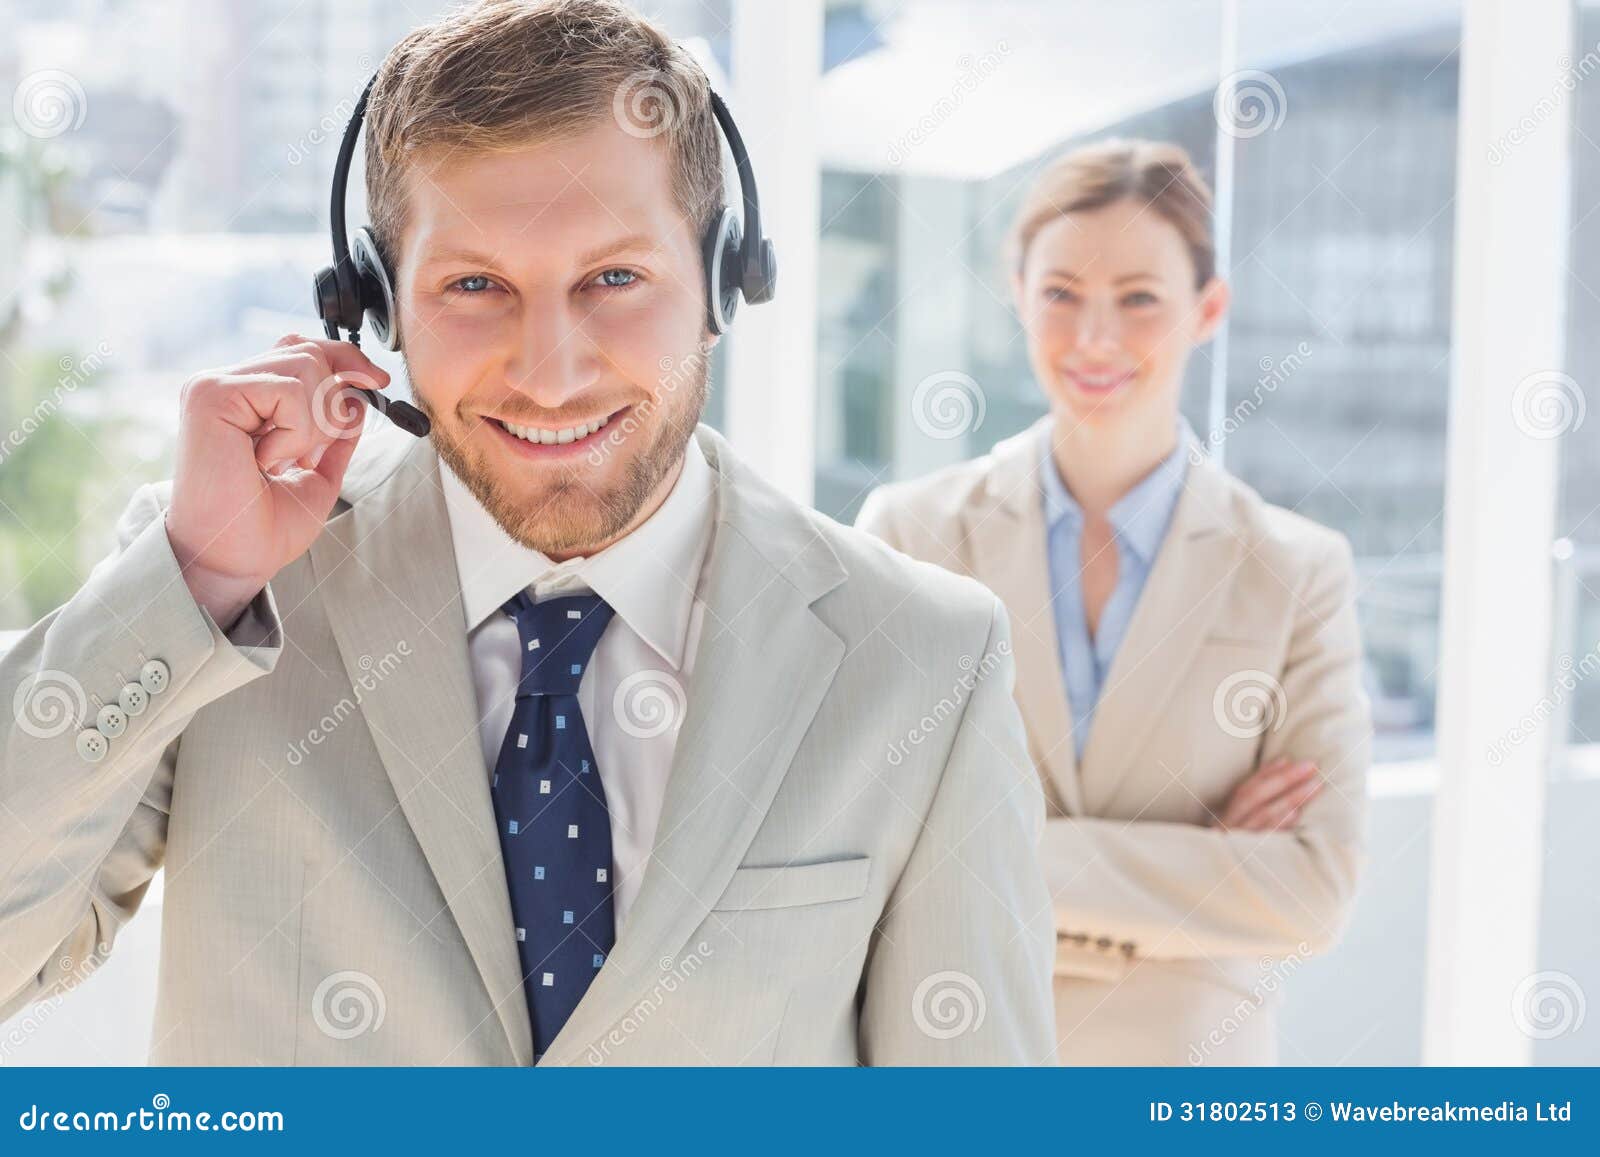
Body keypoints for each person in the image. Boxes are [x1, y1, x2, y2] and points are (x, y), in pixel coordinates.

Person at [0, 0, 1054, 1066]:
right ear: (374, 306)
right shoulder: (219, 591)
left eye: (614, 278)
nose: (548, 371)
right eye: (473, 285)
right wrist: (200, 574)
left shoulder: (923, 657)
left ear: (725, 279)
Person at [856, 139, 1371, 1065]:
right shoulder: (911, 534)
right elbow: (864, 834)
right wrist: (1198, 869)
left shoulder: (1294, 571)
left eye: (1138, 298)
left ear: (1207, 309)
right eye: (1061, 294)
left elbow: (1312, 888)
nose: (1094, 338)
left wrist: (992, 851)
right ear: (1018, 293)